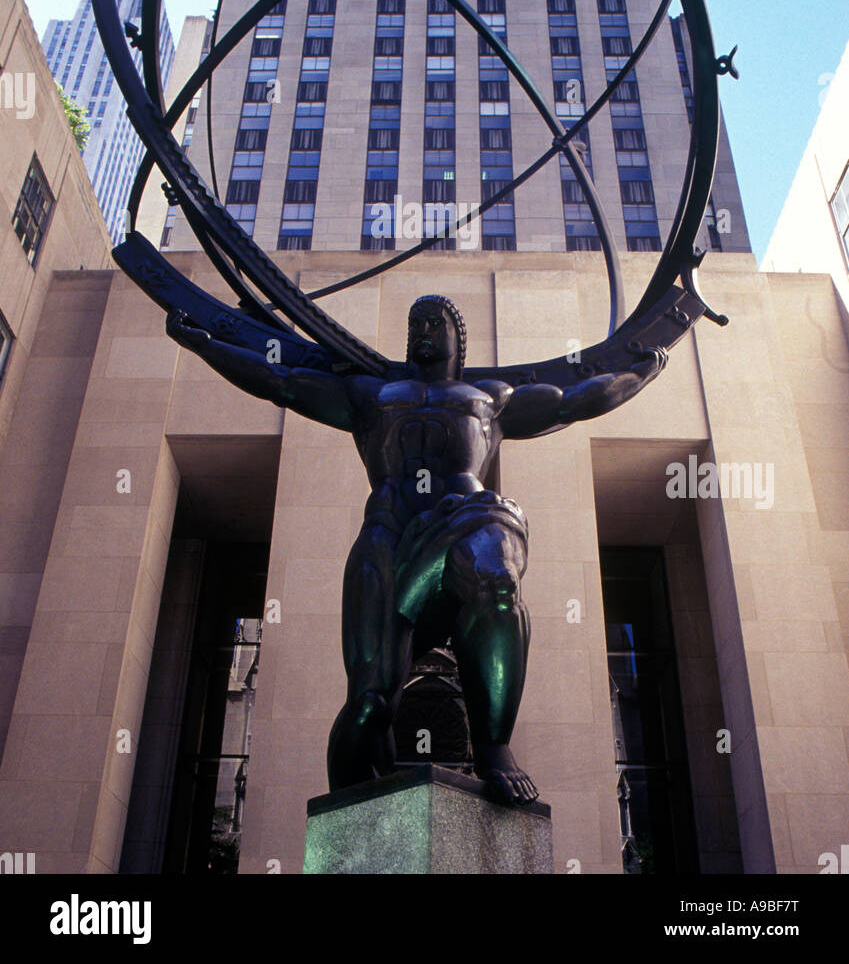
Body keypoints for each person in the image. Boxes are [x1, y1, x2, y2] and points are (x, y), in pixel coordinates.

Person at [167, 295, 666, 805]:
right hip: (388, 537)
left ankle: (494, 748)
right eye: (416, 323)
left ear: (458, 338)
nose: (424, 330)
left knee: (497, 577)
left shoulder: (490, 396)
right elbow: (283, 384)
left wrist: (641, 375)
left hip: (459, 524)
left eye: (436, 322)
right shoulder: (369, 393)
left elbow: (572, 400)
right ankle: (352, 812)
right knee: (368, 704)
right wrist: (208, 346)